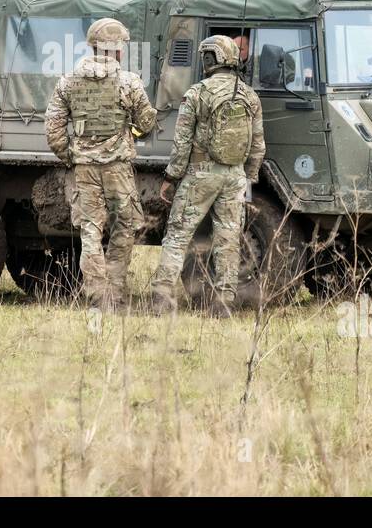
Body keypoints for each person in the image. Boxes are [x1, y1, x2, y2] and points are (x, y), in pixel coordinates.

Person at [44, 18, 157, 310]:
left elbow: (54, 129)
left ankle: (96, 297)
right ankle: (116, 295)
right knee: (124, 227)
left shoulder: (68, 81)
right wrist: (129, 131)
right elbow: (146, 121)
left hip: (85, 170)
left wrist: (72, 155)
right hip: (118, 169)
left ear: (93, 45)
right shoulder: (129, 82)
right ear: (118, 49)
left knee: (90, 231)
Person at [151, 35, 265, 317]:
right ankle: (224, 302)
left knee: (178, 234)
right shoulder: (250, 96)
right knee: (228, 239)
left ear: (211, 59)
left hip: (200, 174)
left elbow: (182, 143)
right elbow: (258, 146)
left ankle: (163, 297)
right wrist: (247, 178)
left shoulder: (197, 93)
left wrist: (171, 178)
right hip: (234, 176)